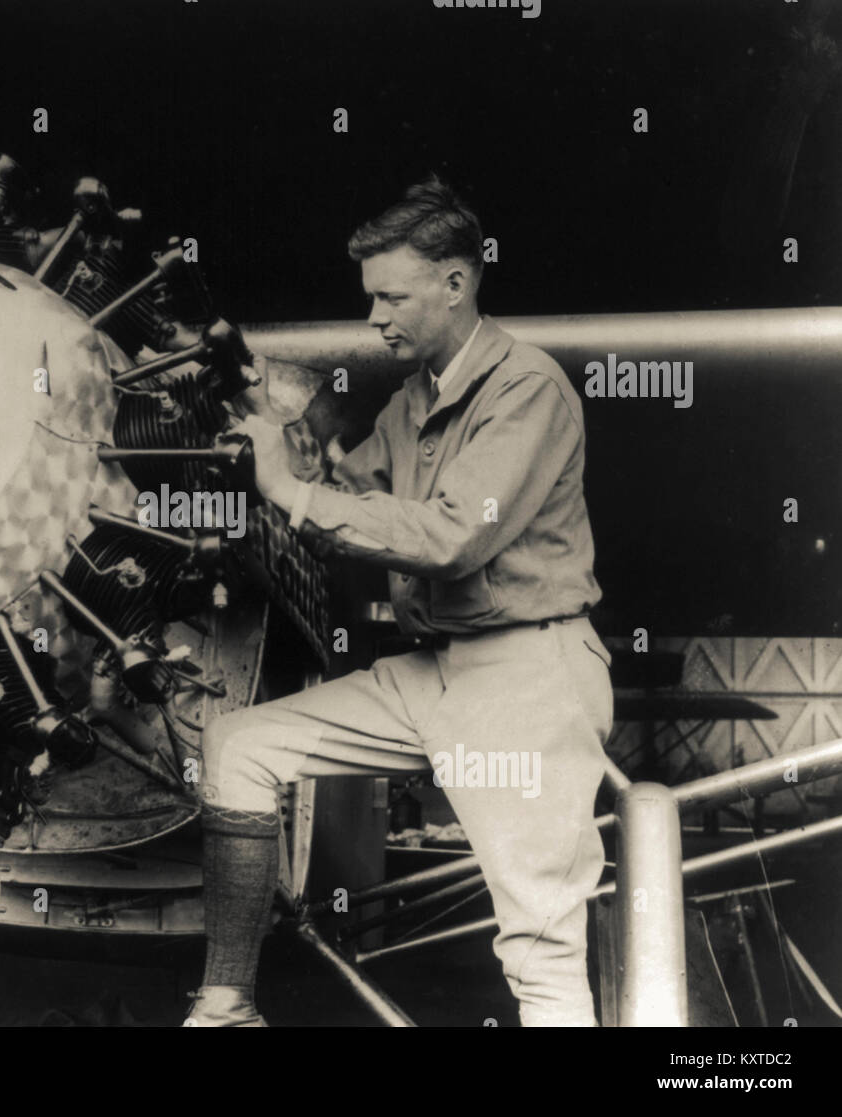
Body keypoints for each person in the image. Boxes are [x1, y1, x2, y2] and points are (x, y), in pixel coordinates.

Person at [187, 177, 613, 1027]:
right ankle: (228, 1002)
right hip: (434, 670)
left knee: (538, 952)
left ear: (457, 284)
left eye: (392, 295)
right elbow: (346, 494)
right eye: (370, 297)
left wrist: (295, 493)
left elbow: (451, 538)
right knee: (236, 744)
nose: (376, 317)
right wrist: (266, 411)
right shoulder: (415, 398)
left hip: (527, 676)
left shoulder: (526, 390)